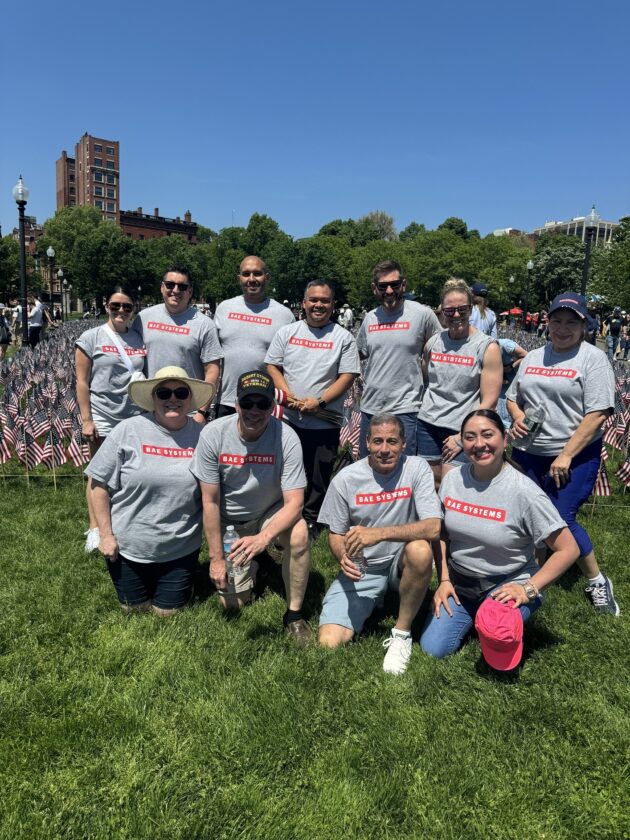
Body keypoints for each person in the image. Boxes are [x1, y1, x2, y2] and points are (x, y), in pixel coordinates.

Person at [420, 409, 579, 668]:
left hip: (507, 583)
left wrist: (528, 589)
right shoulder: (452, 480)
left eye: (487, 435)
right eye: (470, 437)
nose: (479, 444)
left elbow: (568, 550)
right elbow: (441, 534)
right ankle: (479, 616)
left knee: (499, 653)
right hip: (460, 582)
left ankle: (495, 618)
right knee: (432, 649)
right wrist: (444, 579)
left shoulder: (525, 492)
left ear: (504, 439)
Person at [507, 292, 619, 615]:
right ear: (548, 321)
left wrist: (567, 454)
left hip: (574, 456)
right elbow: (513, 397)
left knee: (560, 518)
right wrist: (517, 419)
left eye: (572, 322)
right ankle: (534, 574)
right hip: (528, 452)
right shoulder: (533, 357)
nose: (563, 328)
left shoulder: (593, 359)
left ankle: (597, 581)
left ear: (584, 325)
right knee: (528, 517)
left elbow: (598, 413)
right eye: (557, 320)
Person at [190, 371, 312, 645]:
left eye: (263, 404)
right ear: (236, 404)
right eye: (248, 403)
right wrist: (216, 559)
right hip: (227, 520)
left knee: (300, 533)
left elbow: (295, 503)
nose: (254, 411)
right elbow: (208, 501)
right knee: (233, 605)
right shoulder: (213, 434)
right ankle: (256, 565)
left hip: (267, 514)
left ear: (272, 407)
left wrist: (263, 539)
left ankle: (294, 616)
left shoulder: (287, 437)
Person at [318, 414, 441, 675]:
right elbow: (336, 533)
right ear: (366, 443)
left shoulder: (417, 468)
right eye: (377, 442)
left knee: (420, 549)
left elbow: (433, 527)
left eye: (392, 441)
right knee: (329, 643)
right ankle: (378, 598)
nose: (385, 449)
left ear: (404, 444)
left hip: (401, 562)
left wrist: (379, 534)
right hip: (364, 566)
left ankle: (402, 634)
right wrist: (343, 556)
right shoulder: (346, 479)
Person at [85, 367, 213, 615]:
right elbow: (97, 484)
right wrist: (105, 534)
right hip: (129, 547)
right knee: (134, 611)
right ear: (153, 399)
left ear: (190, 399)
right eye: (164, 393)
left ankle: (181, 581)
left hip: (180, 547)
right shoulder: (128, 430)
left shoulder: (204, 436)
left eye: (181, 392)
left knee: (167, 614)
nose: (172, 399)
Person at [265, 280, 360, 540]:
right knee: (288, 469)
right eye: (314, 300)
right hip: (290, 418)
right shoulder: (288, 332)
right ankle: (285, 513)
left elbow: (347, 375)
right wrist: (289, 396)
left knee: (319, 472)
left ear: (333, 305)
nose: (319, 305)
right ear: (304, 302)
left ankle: (312, 518)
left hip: (324, 419)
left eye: (325, 301)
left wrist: (319, 402)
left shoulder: (343, 337)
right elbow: (273, 366)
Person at [75, 286, 146, 552]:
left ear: (133, 309)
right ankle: (95, 527)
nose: (121, 311)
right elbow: (81, 382)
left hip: (134, 415)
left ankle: (119, 521)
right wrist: (86, 419)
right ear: (106, 306)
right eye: (115, 305)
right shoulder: (91, 337)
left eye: (127, 306)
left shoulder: (138, 338)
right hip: (103, 413)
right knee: (98, 473)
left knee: (128, 472)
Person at [416, 278, 503, 486]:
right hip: (428, 423)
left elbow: (489, 402)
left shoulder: (486, 347)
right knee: (430, 484)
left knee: (453, 484)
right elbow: (427, 378)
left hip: (462, 426)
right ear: (441, 311)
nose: (456, 315)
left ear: (471, 309)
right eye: (449, 311)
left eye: (462, 310)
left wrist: (462, 436)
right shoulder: (434, 343)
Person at [356, 259, 440, 458]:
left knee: (402, 469)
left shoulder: (422, 315)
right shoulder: (370, 318)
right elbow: (356, 354)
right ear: (374, 288)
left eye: (394, 284)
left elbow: (442, 349)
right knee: (368, 466)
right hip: (370, 407)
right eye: (383, 286)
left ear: (404, 284)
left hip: (406, 408)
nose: (389, 291)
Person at [134, 265, 222, 423]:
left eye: (182, 286)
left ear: (190, 291)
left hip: (188, 409)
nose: (175, 290)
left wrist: (202, 411)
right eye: (170, 285)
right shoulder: (143, 318)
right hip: (152, 407)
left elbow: (212, 369)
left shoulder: (204, 324)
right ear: (162, 287)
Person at [214, 256, 294, 417]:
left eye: (257, 273)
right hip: (227, 399)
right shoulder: (224, 308)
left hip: (264, 402)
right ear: (239, 278)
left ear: (267, 277)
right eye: (246, 274)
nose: (251, 279)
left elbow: (290, 363)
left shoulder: (285, 315)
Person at [497, 337, 527, 429]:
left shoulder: (505, 345)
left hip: (513, 376)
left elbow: (527, 355)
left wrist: (511, 366)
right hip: (501, 379)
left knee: (509, 399)